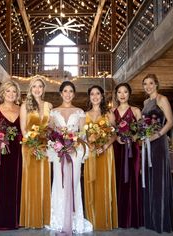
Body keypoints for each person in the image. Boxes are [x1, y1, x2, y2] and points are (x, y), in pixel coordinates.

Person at [47, 81, 93, 235]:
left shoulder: (80, 112)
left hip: (74, 154)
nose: (67, 94)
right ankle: (59, 218)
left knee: (73, 183)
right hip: (59, 154)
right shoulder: (53, 112)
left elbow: (82, 134)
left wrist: (74, 145)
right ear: (61, 93)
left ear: (74, 94)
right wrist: (57, 145)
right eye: (65, 91)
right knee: (59, 184)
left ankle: (74, 218)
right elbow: (50, 134)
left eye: (70, 91)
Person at [0, 80, 22, 229]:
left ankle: (17, 218)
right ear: (3, 93)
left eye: (14, 91)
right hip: (0, 153)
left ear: (17, 94)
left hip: (18, 154)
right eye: (8, 91)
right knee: (0, 184)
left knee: (16, 183)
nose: (11, 94)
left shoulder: (22, 109)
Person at [142, 74, 173, 233]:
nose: (148, 86)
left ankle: (161, 221)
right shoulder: (145, 102)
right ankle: (151, 219)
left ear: (156, 84)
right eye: (145, 84)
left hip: (159, 144)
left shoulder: (162, 99)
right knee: (149, 180)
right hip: (147, 145)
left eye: (151, 83)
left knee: (159, 180)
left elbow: (170, 122)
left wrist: (158, 135)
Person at [19, 75, 52, 228]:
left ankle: (44, 217)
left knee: (44, 180)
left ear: (43, 89)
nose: (37, 89)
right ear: (30, 89)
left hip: (44, 147)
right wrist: (32, 144)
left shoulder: (48, 105)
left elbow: (50, 128)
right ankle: (31, 218)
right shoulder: (25, 105)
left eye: (40, 86)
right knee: (31, 181)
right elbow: (23, 129)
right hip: (30, 147)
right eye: (34, 86)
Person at [84, 85, 118, 230]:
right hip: (90, 153)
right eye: (92, 94)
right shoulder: (84, 115)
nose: (95, 96)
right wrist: (89, 144)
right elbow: (82, 136)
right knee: (91, 184)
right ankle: (92, 219)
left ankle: (104, 219)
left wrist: (104, 146)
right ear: (89, 97)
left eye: (98, 94)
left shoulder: (109, 113)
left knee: (104, 184)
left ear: (102, 96)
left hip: (105, 152)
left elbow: (115, 133)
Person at [113, 83, 143, 228]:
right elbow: (111, 132)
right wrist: (117, 137)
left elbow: (141, 131)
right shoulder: (112, 112)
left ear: (129, 94)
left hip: (133, 150)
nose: (122, 95)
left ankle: (134, 218)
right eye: (119, 92)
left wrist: (133, 137)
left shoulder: (136, 110)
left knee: (133, 179)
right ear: (116, 94)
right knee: (119, 180)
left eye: (125, 92)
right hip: (118, 150)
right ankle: (120, 218)